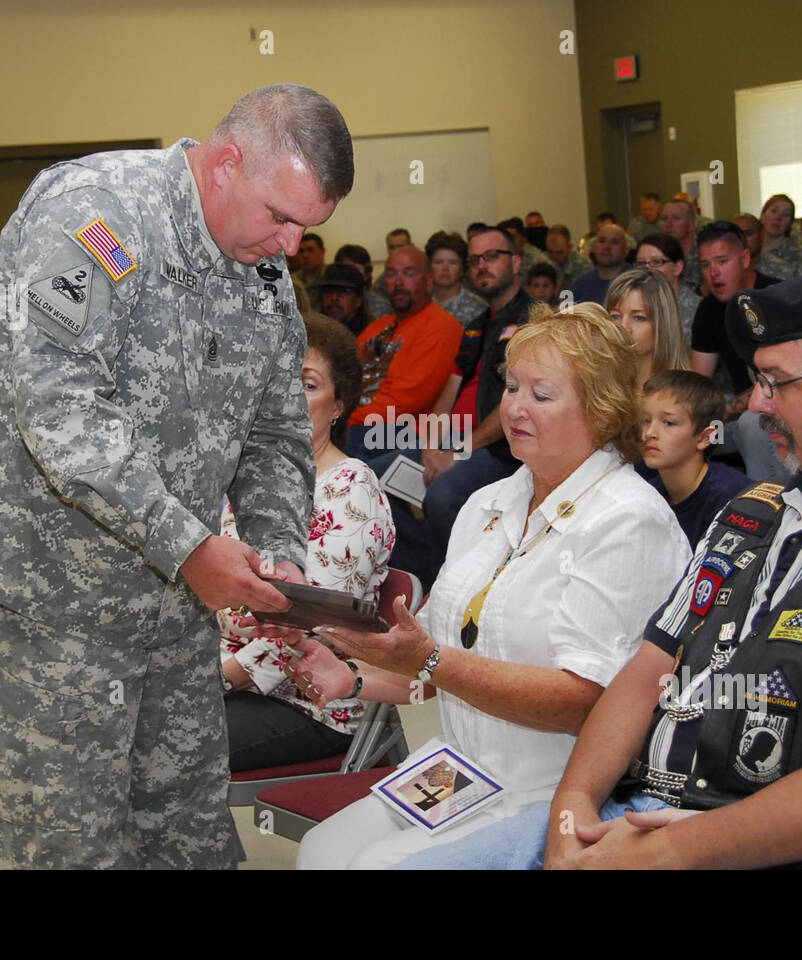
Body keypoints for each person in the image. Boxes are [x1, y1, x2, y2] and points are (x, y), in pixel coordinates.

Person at [396, 265, 802, 870]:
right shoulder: (752, 513)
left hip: (758, 849)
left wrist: (669, 849)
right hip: (632, 810)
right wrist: (573, 806)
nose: (756, 402)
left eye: (778, 382)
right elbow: (644, 674)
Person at [0, 83, 353, 869]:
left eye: (307, 229)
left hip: (172, 600)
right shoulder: (95, 214)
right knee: (67, 844)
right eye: (281, 217)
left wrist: (279, 550)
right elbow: (57, 403)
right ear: (224, 164)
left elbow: (277, 430)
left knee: (186, 833)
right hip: (49, 596)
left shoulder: (262, 279)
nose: (292, 248)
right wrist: (190, 547)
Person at [290, 309, 691, 869]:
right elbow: (440, 663)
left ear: (601, 411)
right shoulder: (488, 502)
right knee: (322, 850)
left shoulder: (628, 520)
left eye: (541, 394)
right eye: (511, 386)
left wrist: (429, 661)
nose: (514, 407)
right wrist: (354, 675)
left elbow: (589, 702)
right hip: (464, 768)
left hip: (561, 784)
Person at [220, 314, 394, 771]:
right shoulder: (247, 475)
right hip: (224, 674)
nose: (288, 397)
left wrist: (215, 679)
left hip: (309, 700)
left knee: (157, 744)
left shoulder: (351, 487)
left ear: (338, 405)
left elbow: (311, 626)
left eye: (308, 384)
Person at [383, 226, 533, 590]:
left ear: (516, 262)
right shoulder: (476, 327)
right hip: (457, 440)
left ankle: (477, 587)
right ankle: (426, 578)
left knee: (442, 496)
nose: (482, 266)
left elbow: (518, 405)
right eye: (475, 260)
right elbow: (448, 394)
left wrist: (457, 452)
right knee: (379, 477)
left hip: (502, 450)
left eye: (492, 257)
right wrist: (434, 446)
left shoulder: (534, 322)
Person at [687, 221, 788, 482]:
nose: (713, 273)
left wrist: (725, 410)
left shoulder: (777, 298)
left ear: (744, 258)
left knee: (752, 425)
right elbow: (698, 383)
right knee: (679, 433)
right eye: (706, 265)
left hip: (785, 412)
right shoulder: (709, 310)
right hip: (732, 420)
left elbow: (782, 384)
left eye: (722, 261)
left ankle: (767, 510)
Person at [347, 246, 463, 460]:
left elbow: (405, 403)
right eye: (391, 274)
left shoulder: (441, 327)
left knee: (344, 442)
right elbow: (341, 375)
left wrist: (343, 418)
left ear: (428, 282)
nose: (399, 282)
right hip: (361, 420)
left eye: (409, 274)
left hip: (404, 429)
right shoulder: (378, 326)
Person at [640, 369, 749, 547]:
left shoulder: (733, 500)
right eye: (645, 420)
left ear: (706, 437)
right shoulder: (648, 493)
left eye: (669, 423)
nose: (650, 433)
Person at [604, 268, 688, 389]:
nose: (623, 327)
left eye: (639, 318)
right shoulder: (598, 389)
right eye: (615, 316)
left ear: (662, 325)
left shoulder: (683, 396)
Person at [635, 233, 701, 342]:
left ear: (678, 267)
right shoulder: (630, 305)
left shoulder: (697, 311)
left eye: (656, 262)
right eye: (641, 263)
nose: (647, 269)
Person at [426, 232, 486, 327]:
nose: (445, 268)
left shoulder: (477, 309)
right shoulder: (420, 303)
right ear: (429, 267)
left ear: (462, 269)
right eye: (438, 262)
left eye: (452, 263)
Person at [568, 223, 629, 305]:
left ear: (626, 250)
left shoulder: (637, 281)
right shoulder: (580, 286)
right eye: (602, 241)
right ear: (594, 247)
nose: (606, 246)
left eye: (614, 242)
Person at [332, 243, 392, 321]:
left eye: (353, 270)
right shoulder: (330, 300)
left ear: (367, 273)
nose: (348, 275)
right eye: (343, 270)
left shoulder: (380, 307)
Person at [755, 194, 802, 280]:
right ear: (762, 216)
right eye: (774, 211)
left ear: (790, 223)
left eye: (785, 215)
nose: (778, 217)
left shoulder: (799, 255)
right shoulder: (750, 248)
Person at [657, 199, 701, 289]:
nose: (668, 224)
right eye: (664, 219)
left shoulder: (704, 255)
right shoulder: (657, 256)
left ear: (692, 224)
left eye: (676, 218)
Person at [318, 262, 372, 336]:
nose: (334, 297)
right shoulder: (312, 334)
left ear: (359, 300)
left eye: (343, 291)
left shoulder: (371, 337)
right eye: (328, 291)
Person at [545, 225, 591, 291]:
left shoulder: (583, 266)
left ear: (569, 248)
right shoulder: (542, 261)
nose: (554, 256)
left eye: (559, 252)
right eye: (550, 252)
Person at [293, 232, 326, 309]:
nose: (305, 255)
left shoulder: (333, 276)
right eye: (301, 251)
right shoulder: (292, 281)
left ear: (323, 251)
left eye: (310, 250)